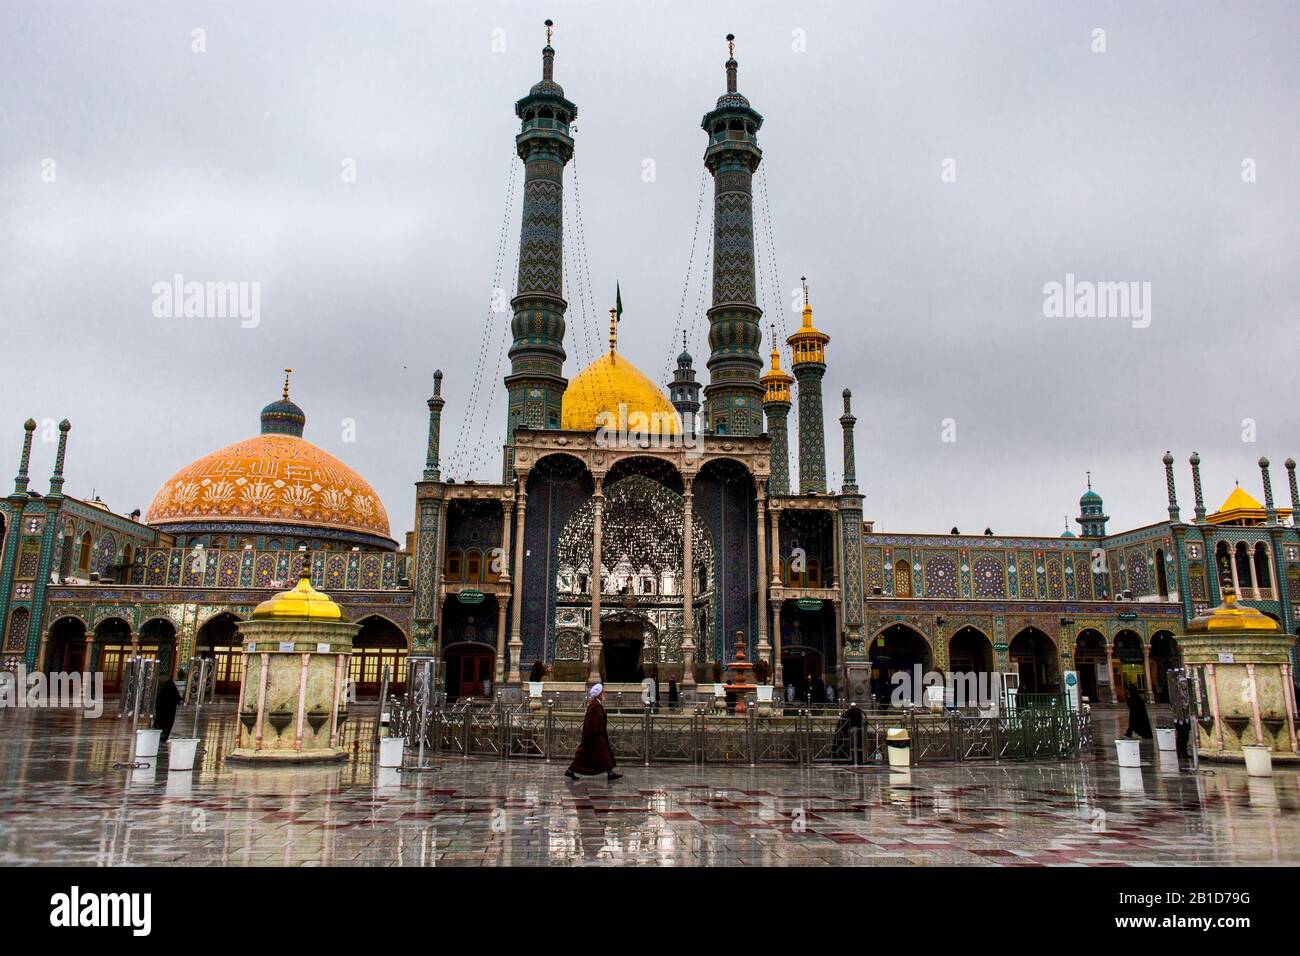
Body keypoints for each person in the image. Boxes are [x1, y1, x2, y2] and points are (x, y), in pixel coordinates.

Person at [565, 683, 621, 782]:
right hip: (594, 736)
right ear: (599, 693)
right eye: (602, 692)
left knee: (585, 755)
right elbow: (595, 722)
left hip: (593, 736)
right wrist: (597, 732)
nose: (604, 693)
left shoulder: (595, 704)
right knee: (603, 753)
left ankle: (571, 770)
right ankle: (610, 773)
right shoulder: (595, 706)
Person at [154, 673, 182, 743]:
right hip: (170, 711)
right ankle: (164, 736)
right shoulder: (170, 686)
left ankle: (161, 736)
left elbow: (158, 700)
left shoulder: (163, 687)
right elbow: (178, 698)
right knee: (167, 724)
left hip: (162, 710)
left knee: (161, 723)